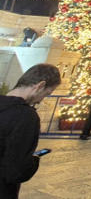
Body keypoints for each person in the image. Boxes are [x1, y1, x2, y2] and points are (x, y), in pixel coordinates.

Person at [0, 63, 60, 199]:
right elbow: (16, 171)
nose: (41, 99)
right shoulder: (26, 116)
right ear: (40, 86)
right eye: (47, 93)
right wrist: (34, 160)